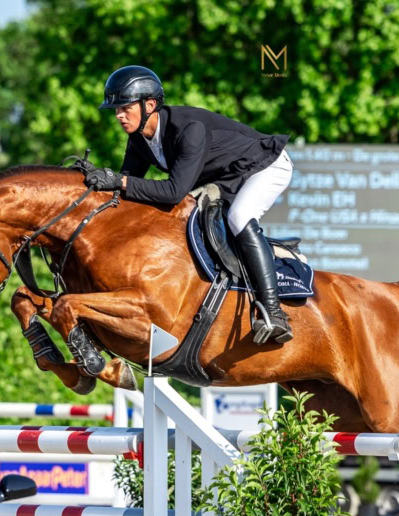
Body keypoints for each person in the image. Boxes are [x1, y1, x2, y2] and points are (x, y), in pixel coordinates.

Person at [84, 65, 295, 344]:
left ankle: (273, 311)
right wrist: (95, 185)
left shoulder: (187, 130)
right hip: (227, 175)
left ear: (150, 104)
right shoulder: (138, 139)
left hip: (265, 166)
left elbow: (172, 191)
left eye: (125, 108)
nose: (119, 116)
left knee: (239, 216)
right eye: (116, 110)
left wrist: (118, 182)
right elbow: (128, 185)